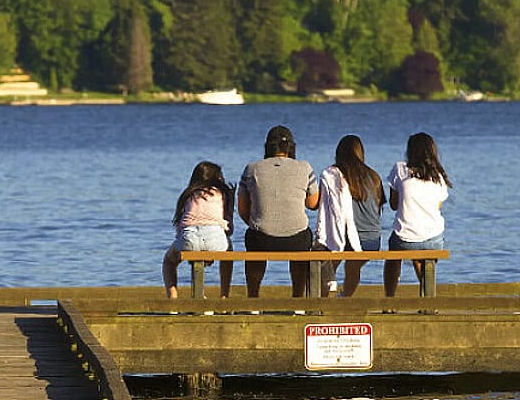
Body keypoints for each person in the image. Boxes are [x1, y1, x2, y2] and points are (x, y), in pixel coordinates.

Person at [237, 125, 319, 297]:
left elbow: (243, 209)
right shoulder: (305, 168)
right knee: (303, 239)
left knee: (252, 238)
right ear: (291, 147)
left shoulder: (251, 169)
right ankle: (297, 299)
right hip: (296, 238)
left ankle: (253, 298)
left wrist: (259, 222)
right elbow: (313, 203)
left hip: (261, 238)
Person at [314, 134, 385, 296]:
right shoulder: (374, 177)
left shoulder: (334, 176)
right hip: (372, 241)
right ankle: (346, 297)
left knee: (326, 259)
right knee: (352, 264)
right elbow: (378, 209)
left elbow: (325, 209)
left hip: (347, 241)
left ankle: (323, 299)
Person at [384, 132, 452, 296]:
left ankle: (390, 300)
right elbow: (437, 207)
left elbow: (393, 205)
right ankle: (428, 300)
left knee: (393, 257)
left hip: (404, 238)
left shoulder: (400, 168)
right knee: (420, 255)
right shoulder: (439, 176)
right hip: (434, 239)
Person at [161, 161, 235, 298]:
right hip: (215, 240)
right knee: (228, 251)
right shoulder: (223, 194)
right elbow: (229, 228)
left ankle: (173, 299)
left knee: (169, 261)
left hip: (189, 238)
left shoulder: (188, 194)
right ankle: (224, 297)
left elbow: (180, 225)